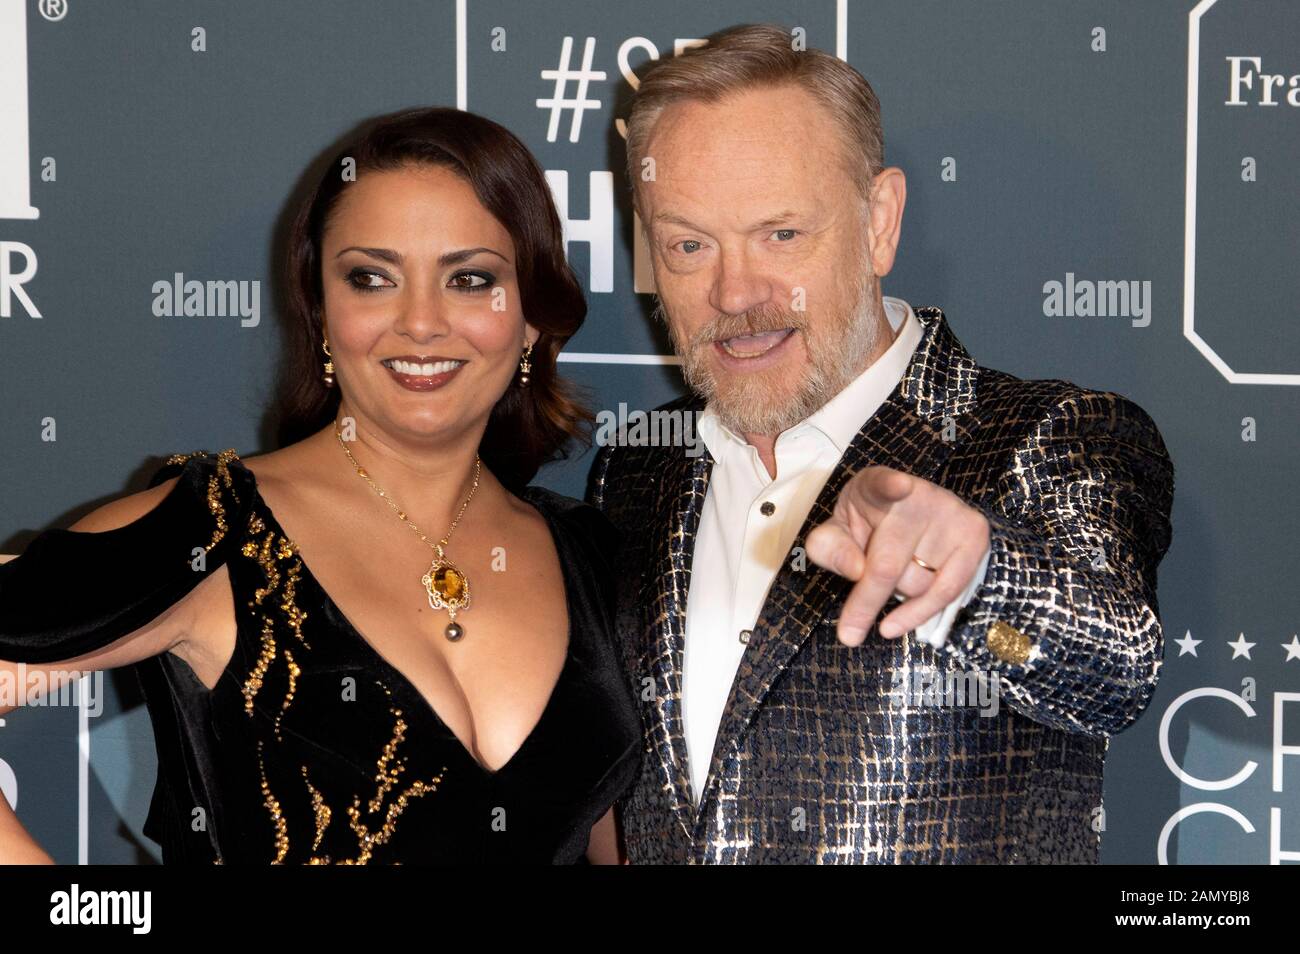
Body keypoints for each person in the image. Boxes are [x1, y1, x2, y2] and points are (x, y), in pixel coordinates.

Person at [589, 23, 1175, 863]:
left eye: (781, 234)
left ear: (879, 221)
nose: (735, 290)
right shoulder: (636, 470)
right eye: (688, 245)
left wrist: (974, 584)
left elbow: (1112, 668)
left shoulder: (1047, 435)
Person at [0, 107, 640, 864]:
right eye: (372, 278)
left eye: (470, 279)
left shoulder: (591, 558)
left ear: (530, 318)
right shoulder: (215, 527)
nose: (422, 323)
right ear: (322, 312)